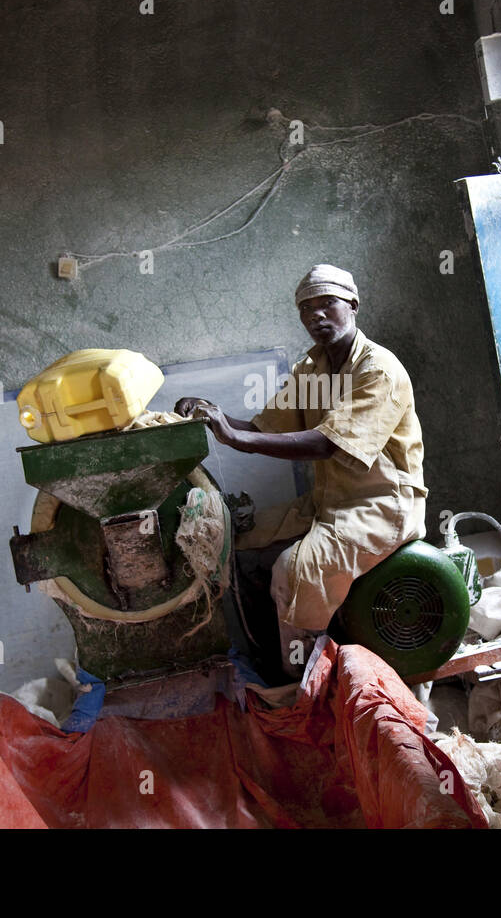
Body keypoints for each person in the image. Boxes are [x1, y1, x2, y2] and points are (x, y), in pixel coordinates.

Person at [174, 264, 427, 679]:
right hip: (328, 504)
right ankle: (269, 661)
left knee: (295, 570)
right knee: (238, 542)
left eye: (328, 303)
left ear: (353, 305)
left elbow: (328, 443)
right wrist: (211, 412)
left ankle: (302, 681)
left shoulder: (378, 369)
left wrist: (238, 440)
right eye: (306, 308)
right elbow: (263, 429)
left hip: (381, 508)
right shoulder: (311, 370)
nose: (316, 315)